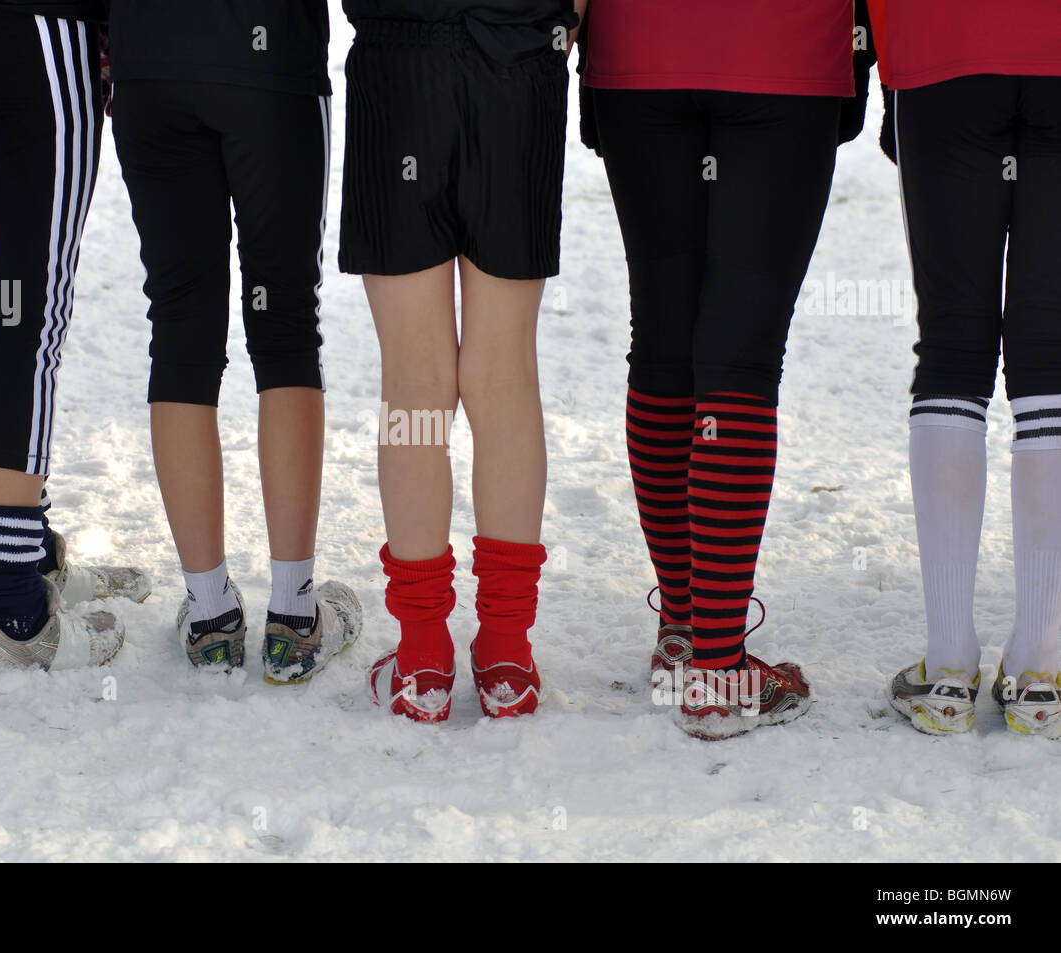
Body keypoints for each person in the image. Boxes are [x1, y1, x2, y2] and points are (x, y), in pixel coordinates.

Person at [582, 0, 866, 738]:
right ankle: (715, 668)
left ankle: (686, 634)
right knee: (738, 357)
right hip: (782, 46)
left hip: (642, 44)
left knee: (665, 340)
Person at [339, 0, 580, 722]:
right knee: (503, 375)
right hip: (519, 58)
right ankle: (506, 651)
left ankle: (422, 655)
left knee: (416, 381)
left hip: (400, 59)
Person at [109, 0, 361, 682]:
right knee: (284, 328)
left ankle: (210, 613)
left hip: (150, 57)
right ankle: (293, 614)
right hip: (267, 56)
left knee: (181, 332)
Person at [0, 0, 146, 682]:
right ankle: (9, 606)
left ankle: (25, 554)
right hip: (42, 28)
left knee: (20, 297)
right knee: (32, 313)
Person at [872, 0, 1061, 737]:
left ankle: (949, 665)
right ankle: (1040, 665)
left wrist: (893, 69)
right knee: (1050, 357)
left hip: (944, 44)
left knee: (952, 345)